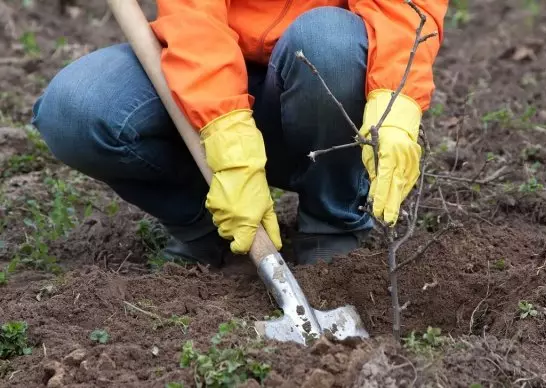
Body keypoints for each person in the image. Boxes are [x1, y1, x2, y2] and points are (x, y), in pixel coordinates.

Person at [31, 1, 448, 267]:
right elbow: (195, 21)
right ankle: (208, 231)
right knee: (77, 107)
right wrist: (225, 133)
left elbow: (402, 8)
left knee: (329, 42)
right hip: (207, 70)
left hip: (319, 84)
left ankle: (332, 226)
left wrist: (395, 97)